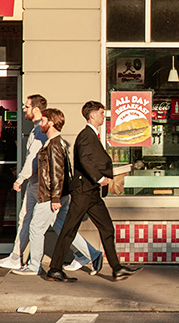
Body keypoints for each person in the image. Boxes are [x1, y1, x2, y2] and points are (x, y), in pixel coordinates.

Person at [46, 101, 142, 282]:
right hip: (83, 192)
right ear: (92, 115)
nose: (103, 116)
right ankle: (54, 269)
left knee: (106, 227)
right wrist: (100, 178)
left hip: (92, 193)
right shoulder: (86, 135)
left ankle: (116, 268)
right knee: (69, 229)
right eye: (100, 113)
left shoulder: (92, 135)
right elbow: (85, 160)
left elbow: (92, 160)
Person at [12, 108, 102, 276]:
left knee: (36, 228)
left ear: (51, 123)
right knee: (62, 227)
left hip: (51, 195)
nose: (40, 124)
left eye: (43, 121)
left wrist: (54, 198)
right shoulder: (57, 142)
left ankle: (34, 266)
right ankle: (92, 254)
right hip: (59, 194)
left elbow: (57, 173)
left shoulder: (53, 145)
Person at [0, 95, 48, 263]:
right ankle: (16, 257)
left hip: (38, 183)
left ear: (36, 109)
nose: (24, 109)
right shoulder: (37, 128)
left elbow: (33, 158)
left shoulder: (40, 130)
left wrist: (20, 178)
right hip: (35, 182)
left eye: (27, 106)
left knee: (36, 221)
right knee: (27, 218)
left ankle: (89, 254)